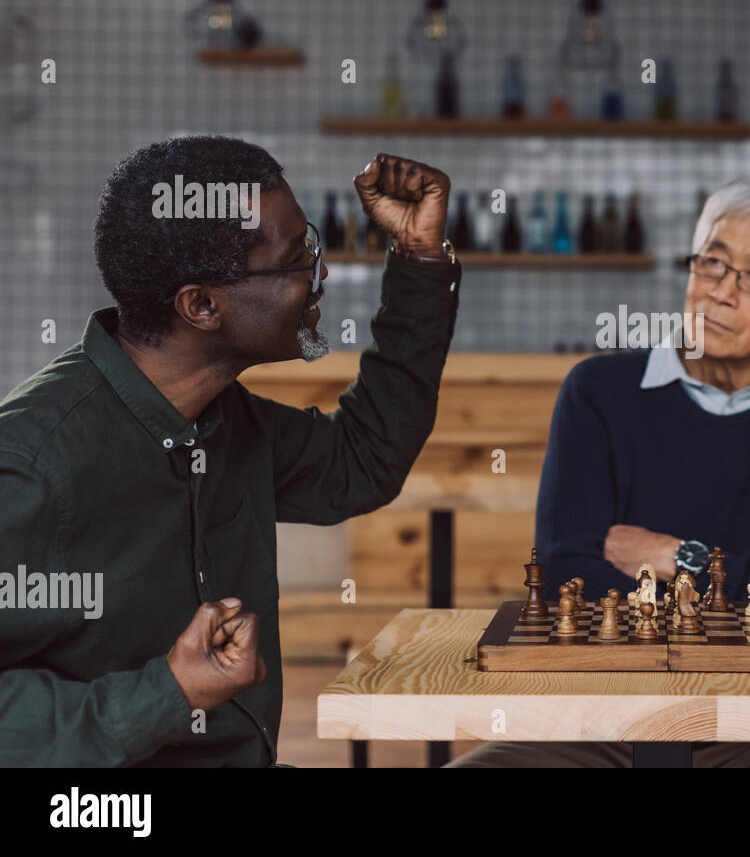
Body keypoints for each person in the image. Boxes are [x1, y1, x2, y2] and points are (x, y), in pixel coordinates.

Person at [0, 137, 461, 766]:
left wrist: (419, 258)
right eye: (296, 260)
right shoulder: (31, 466)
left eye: (313, 247)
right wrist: (169, 692)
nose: (319, 275)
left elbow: (361, 461)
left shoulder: (219, 417)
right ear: (201, 306)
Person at [451, 178, 750, 768]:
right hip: (597, 713)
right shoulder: (599, 392)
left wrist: (676, 556)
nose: (719, 292)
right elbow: (566, 576)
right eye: (712, 262)